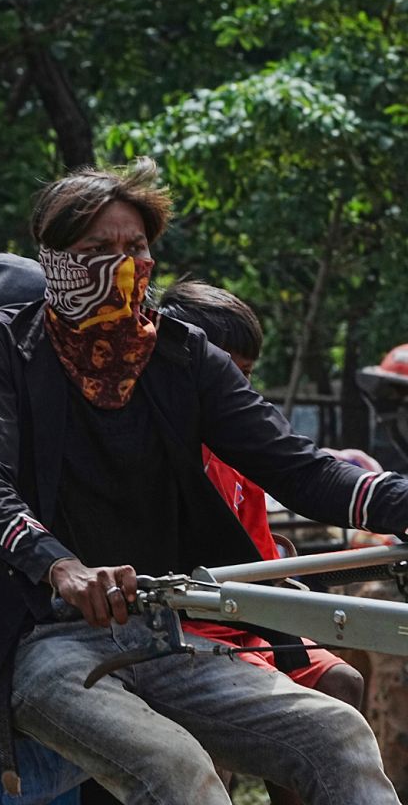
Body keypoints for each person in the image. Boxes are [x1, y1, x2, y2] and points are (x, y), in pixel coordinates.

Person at [0, 158, 406, 804]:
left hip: (163, 629)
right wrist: (61, 567)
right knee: (177, 770)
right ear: (53, 257)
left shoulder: (182, 352)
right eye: (96, 250)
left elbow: (297, 467)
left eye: (135, 248)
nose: (121, 266)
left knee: (335, 732)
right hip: (37, 638)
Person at [158, 277, 366, 805]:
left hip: (251, 617)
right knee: (280, 729)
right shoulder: (157, 445)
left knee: (342, 684)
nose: (239, 392)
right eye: (228, 375)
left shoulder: (242, 449)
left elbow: (263, 552)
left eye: (245, 377)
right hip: (193, 630)